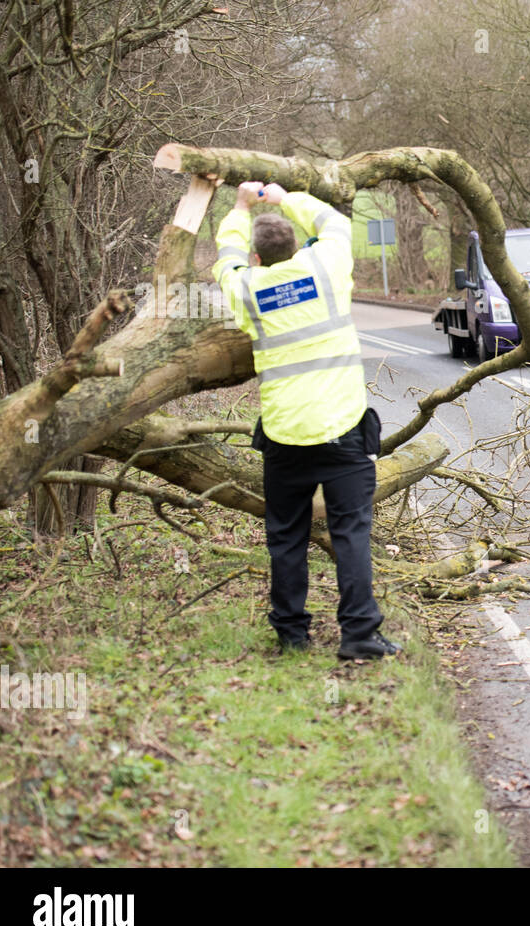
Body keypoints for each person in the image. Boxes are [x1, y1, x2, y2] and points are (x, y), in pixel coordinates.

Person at [213, 180, 399, 659]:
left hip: (284, 437)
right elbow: (335, 223)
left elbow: (225, 258)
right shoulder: (325, 265)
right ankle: (359, 635)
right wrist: (283, 197)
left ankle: (292, 634)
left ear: (258, 260)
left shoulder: (248, 288)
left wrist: (238, 208)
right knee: (352, 534)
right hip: (342, 432)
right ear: (297, 246)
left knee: (285, 538)